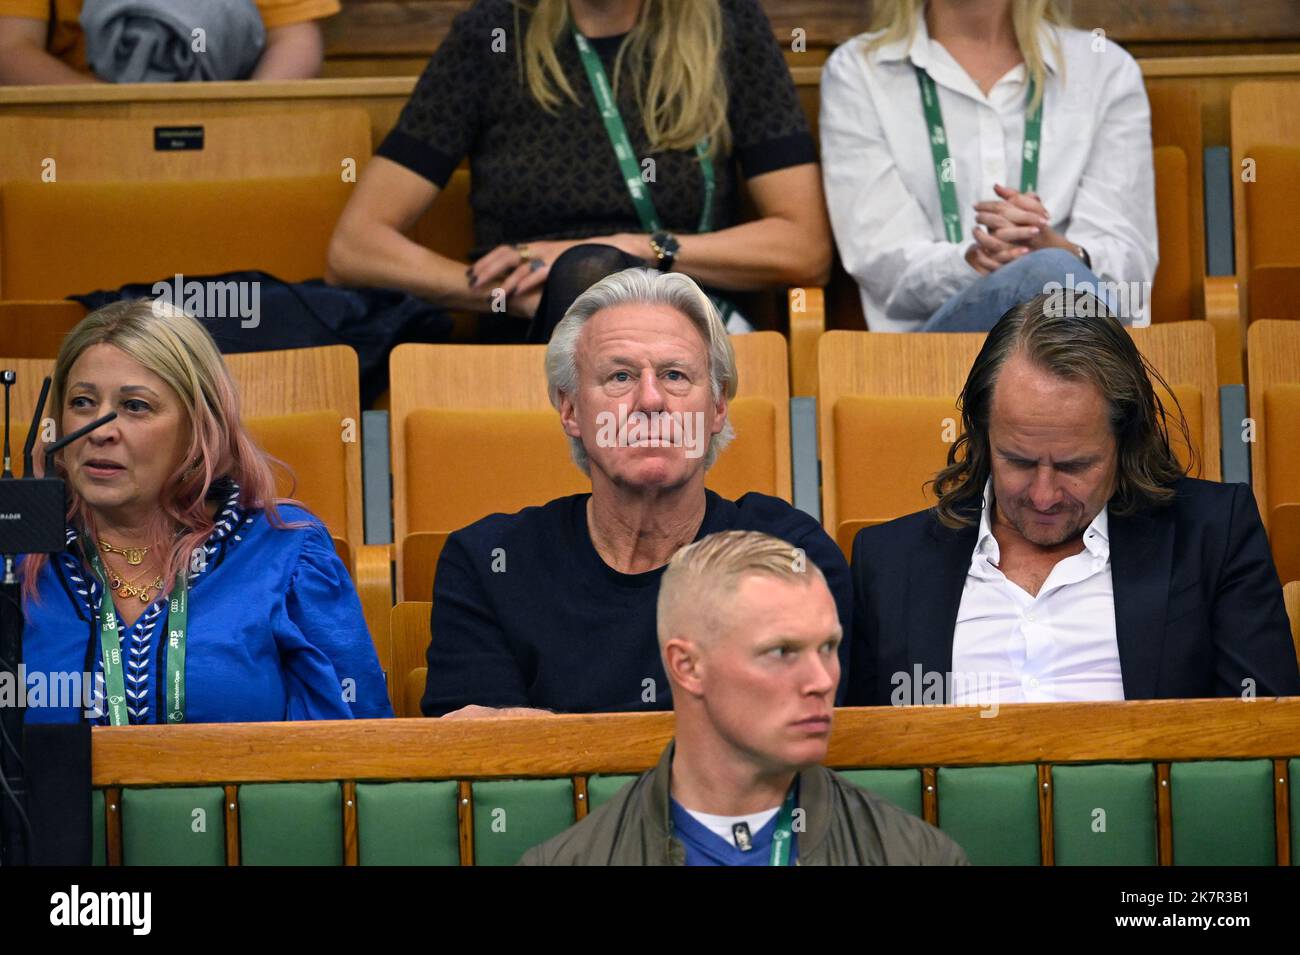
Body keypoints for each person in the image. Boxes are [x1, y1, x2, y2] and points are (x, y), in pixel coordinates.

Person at [422, 267, 851, 717]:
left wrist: (552, 735)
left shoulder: (788, 554)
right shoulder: (489, 562)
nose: (650, 401)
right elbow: (477, 765)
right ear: (570, 409)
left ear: (718, 407)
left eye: (675, 375)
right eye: (621, 377)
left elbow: (784, 737)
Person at [847, 292, 1300, 707]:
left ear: (1125, 441)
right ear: (983, 435)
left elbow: (1263, 748)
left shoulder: (1212, 536)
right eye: (1019, 461)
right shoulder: (888, 563)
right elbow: (862, 766)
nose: (1044, 496)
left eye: (1075, 466)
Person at [326, 0, 830, 342]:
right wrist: (503, 293)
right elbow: (356, 248)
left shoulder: (726, 24)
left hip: (682, 320)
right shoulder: (496, 33)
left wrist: (636, 249)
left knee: (596, 274)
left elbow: (802, 247)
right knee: (578, 286)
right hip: (535, 336)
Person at [19, 299, 392, 724]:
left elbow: (362, 747)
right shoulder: (16, 558)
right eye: (82, 402)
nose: (100, 431)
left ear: (200, 425)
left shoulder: (285, 551)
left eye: (136, 406)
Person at [520, 530, 968, 865]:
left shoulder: (918, 855)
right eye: (781, 651)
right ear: (687, 667)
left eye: (828, 648)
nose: (822, 679)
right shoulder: (571, 860)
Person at [820, 0, 1157, 331]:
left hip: (1076, 336)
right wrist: (976, 260)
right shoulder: (860, 71)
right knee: (1051, 273)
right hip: (935, 351)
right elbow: (883, 264)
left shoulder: (1105, 69)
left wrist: (1061, 250)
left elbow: (1131, 270)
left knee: (1055, 273)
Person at [0, 0, 337, 85]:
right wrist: (116, 113)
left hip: (221, 106)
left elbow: (295, 38)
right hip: (80, 123)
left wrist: (237, 121)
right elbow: (11, 48)